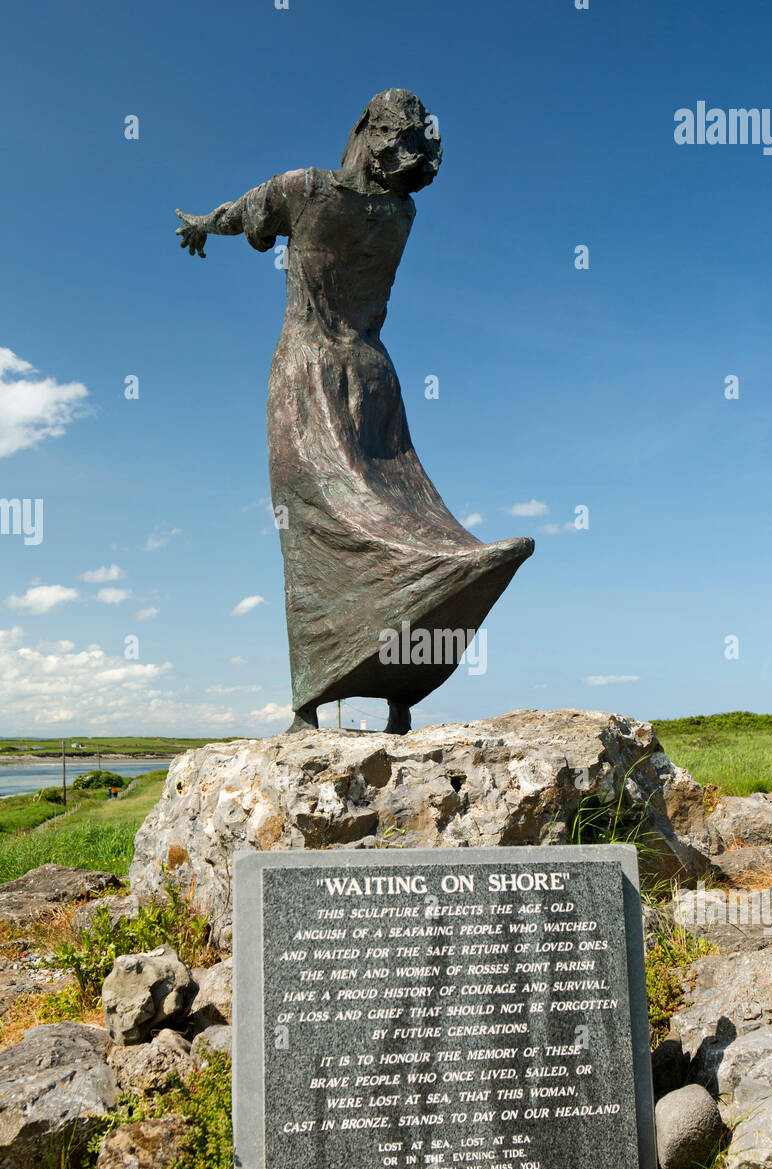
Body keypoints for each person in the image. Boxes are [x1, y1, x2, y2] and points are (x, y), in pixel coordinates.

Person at [176, 90, 532, 733]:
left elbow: (241, 217)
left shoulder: (305, 188)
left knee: (316, 526)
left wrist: (203, 223)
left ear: (363, 129)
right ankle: (401, 689)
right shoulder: (403, 215)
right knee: (396, 507)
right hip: (375, 372)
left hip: (308, 369)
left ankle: (310, 706)